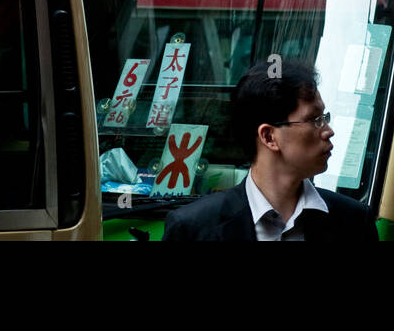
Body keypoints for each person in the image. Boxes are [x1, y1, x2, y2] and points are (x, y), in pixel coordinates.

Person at [161, 61, 378, 241]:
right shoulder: (192, 229)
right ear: (269, 137)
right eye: (314, 120)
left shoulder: (354, 221)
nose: (328, 131)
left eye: (325, 118)